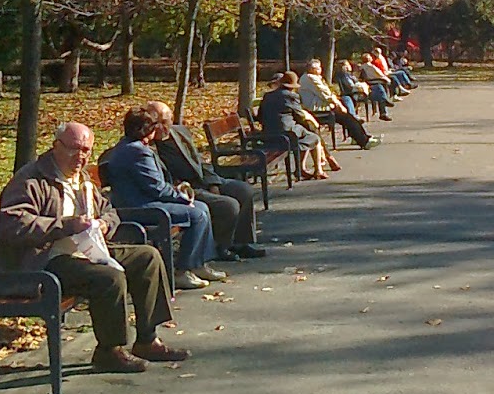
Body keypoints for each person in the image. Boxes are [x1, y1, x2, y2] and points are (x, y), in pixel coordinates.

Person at [0, 122, 189, 374]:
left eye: (86, 150)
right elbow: (13, 224)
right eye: (74, 149)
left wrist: (106, 224)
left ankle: (147, 340)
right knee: (109, 277)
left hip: (86, 250)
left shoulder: (83, 179)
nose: (81, 156)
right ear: (56, 146)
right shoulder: (32, 179)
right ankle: (109, 351)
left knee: (147, 257)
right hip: (45, 260)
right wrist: (66, 225)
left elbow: (109, 210)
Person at [100, 104, 229, 291]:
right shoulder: (138, 152)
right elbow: (157, 188)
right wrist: (182, 196)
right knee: (197, 213)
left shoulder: (128, 146)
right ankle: (183, 270)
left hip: (141, 201)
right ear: (147, 130)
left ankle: (198, 264)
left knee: (201, 208)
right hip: (139, 208)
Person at [152, 106, 267, 261]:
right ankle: (221, 247)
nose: (164, 127)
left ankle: (240, 243)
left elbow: (200, 162)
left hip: (201, 179)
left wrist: (213, 183)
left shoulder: (179, 132)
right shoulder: (149, 145)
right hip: (183, 190)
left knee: (243, 190)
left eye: (166, 121)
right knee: (228, 205)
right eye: (159, 123)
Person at [256, 70, 335, 179]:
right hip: (287, 133)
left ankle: (301, 169)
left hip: (268, 134)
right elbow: (299, 115)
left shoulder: (267, 96)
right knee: (314, 138)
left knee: (305, 136)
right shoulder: (291, 96)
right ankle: (318, 170)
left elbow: (260, 116)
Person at [299, 59, 382, 150]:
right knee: (347, 118)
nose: (321, 69)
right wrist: (339, 105)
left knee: (348, 115)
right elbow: (325, 94)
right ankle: (364, 141)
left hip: (320, 106)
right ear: (312, 69)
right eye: (319, 67)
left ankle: (360, 137)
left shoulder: (308, 77)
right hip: (318, 109)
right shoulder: (311, 78)